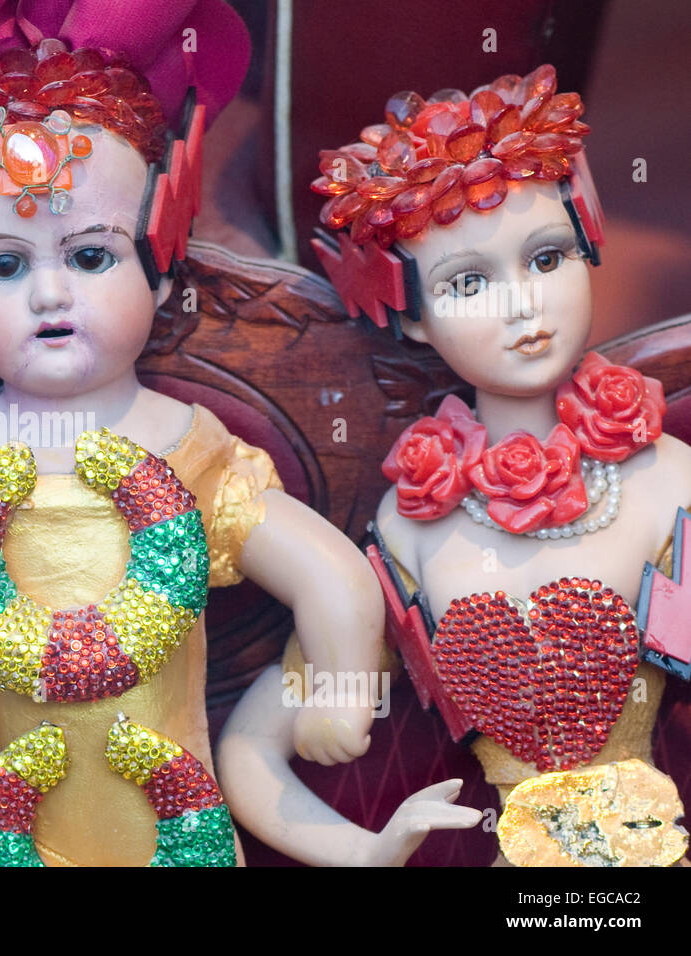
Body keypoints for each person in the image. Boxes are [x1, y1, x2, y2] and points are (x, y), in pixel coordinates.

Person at [0, 7, 388, 866]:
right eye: (5, 264)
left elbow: (333, 575)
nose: (50, 295)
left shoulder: (190, 454)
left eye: (91, 257)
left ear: (160, 259)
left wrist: (341, 690)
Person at [291, 64, 689, 865]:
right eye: (468, 282)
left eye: (546, 258)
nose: (522, 305)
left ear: (588, 241)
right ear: (412, 316)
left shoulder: (666, 477)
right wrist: (366, 847)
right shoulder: (409, 527)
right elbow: (263, 738)